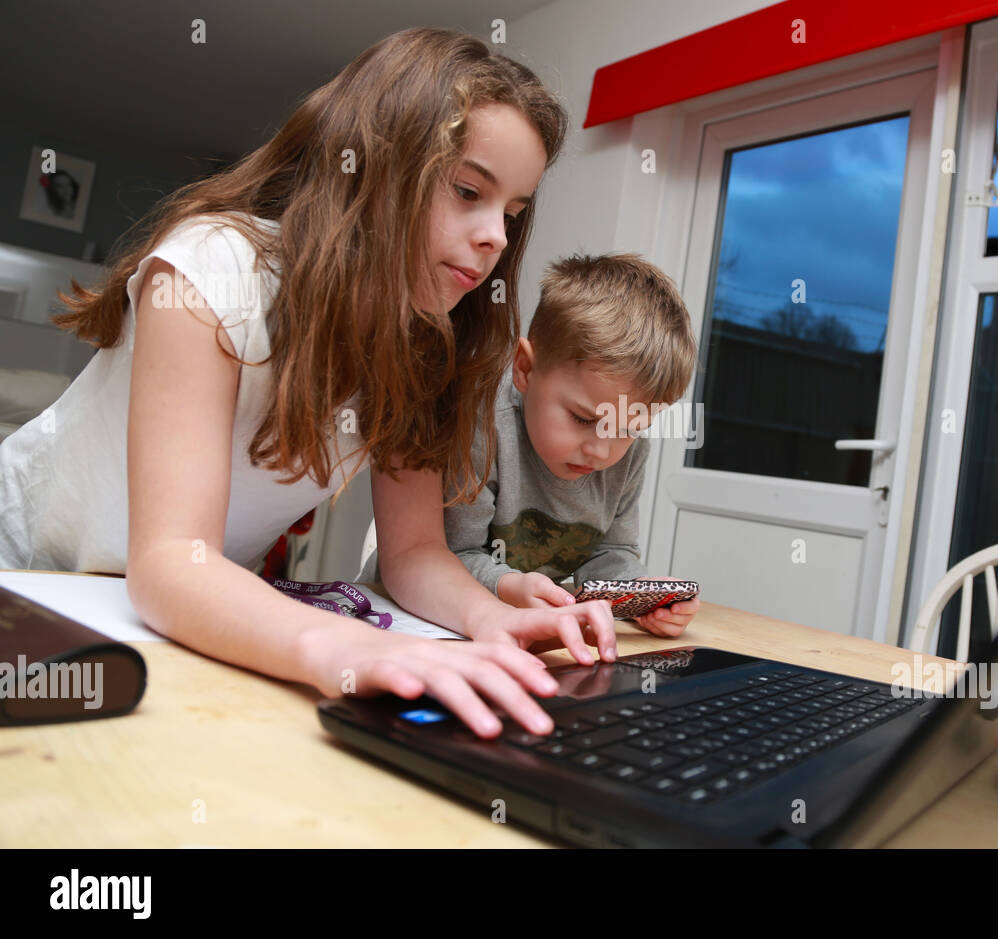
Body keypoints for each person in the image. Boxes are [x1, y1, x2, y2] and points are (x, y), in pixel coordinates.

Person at [0, 28, 620, 739]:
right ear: (375, 167)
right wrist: (350, 648)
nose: (497, 239)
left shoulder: (424, 344)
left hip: (164, 612)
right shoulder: (211, 268)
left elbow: (415, 552)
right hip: (25, 573)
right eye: (468, 190)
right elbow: (175, 558)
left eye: (512, 213)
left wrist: (496, 619)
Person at [432, 253, 702, 637]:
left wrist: (639, 598)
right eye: (583, 419)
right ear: (524, 369)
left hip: (516, 633)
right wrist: (510, 586)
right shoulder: (482, 426)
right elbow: (451, 554)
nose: (601, 451)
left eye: (628, 428)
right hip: (417, 620)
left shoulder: (629, 453)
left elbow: (611, 552)